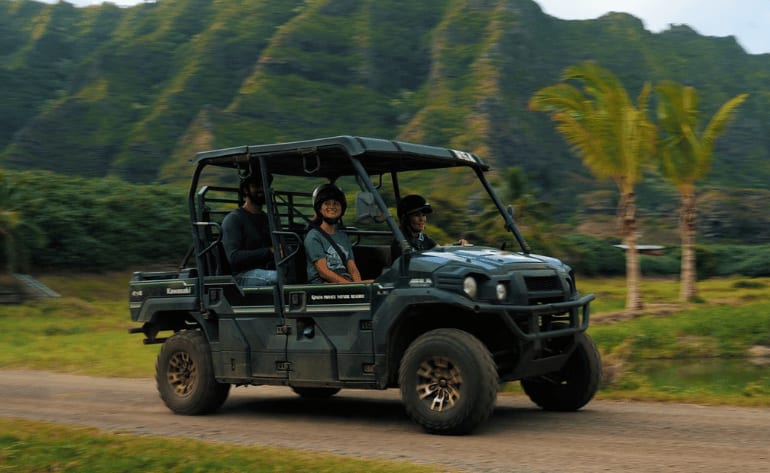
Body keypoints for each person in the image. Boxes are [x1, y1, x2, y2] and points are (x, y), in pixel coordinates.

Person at [221, 174, 277, 286]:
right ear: (246, 190)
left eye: (264, 185)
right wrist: (269, 251)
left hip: (266, 269)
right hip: (241, 275)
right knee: (277, 278)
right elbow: (234, 257)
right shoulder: (234, 219)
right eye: (256, 186)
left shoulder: (267, 218)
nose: (262, 189)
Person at [304, 183, 364, 284]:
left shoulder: (343, 237)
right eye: (327, 203)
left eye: (335, 203)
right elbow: (323, 271)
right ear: (320, 209)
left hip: (344, 281)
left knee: (379, 284)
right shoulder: (314, 236)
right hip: (324, 285)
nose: (332, 207)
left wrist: (359, 286)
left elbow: (352, 268)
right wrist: (349, 286)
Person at [390, 194, 470, 260]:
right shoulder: (400, 242)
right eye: (416, 215)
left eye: (423, 215)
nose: (422, 219)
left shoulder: (423, 238)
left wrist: (457, 245)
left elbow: (439, 250)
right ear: (405, 219)